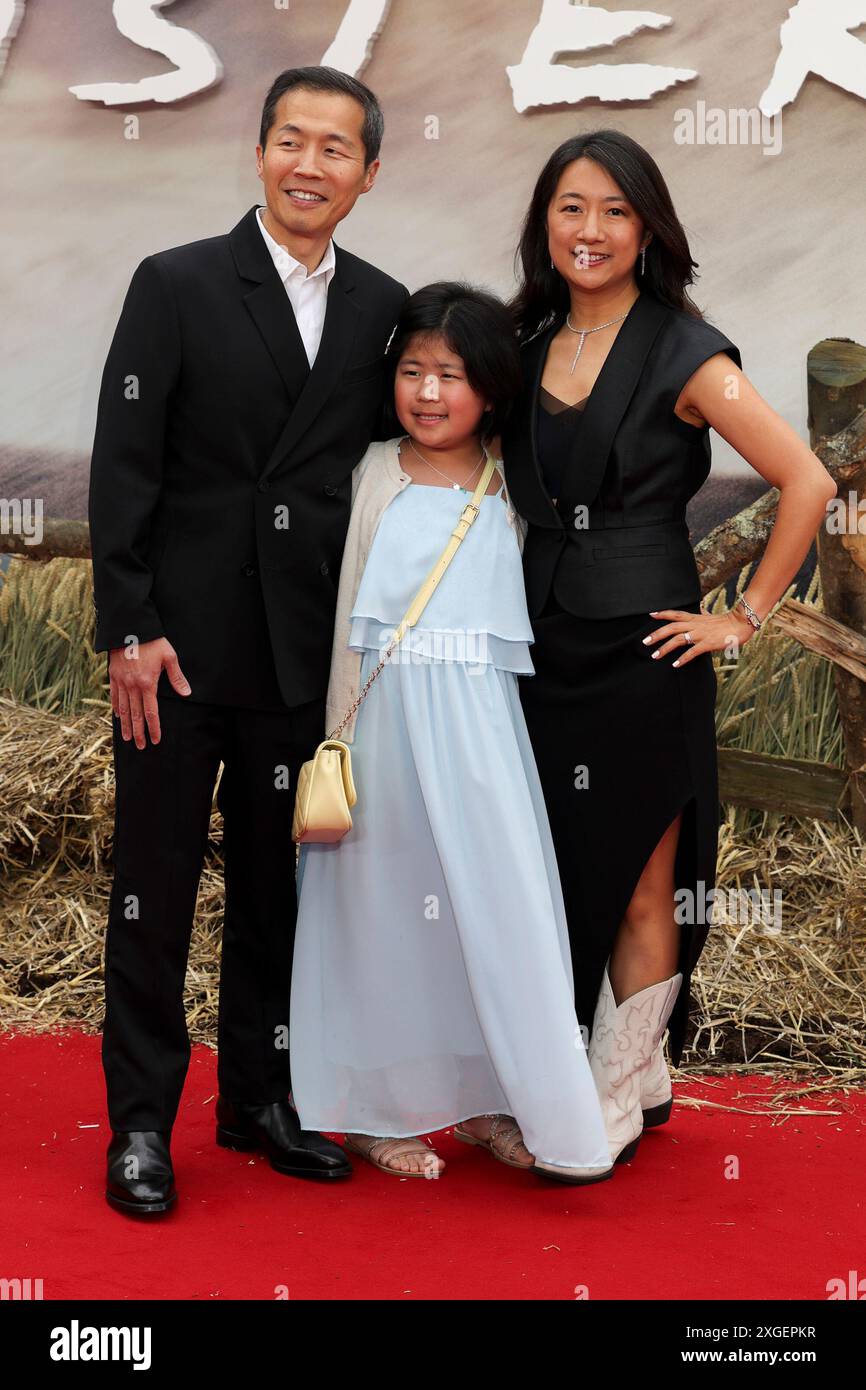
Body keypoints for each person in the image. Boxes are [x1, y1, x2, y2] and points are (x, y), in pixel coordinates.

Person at [89, 66, 408, 1215]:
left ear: (369, 173)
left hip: (297, 655)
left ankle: (258, 1100)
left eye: (335, 148)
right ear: (260, 153)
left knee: (280, 891)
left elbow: (394, 460)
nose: (308, 164)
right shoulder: (174, 285)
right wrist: (128, 624)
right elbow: (123, 464)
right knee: (155, 889)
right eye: (290, 140)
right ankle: (139, 1123)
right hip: (174, 656)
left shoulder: (383, 308)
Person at [501, 130, 837, 1164]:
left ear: (646, 228)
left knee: (646, 875)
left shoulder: (686, 349)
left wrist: (741, 618)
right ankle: (620, 1067)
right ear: (542, 221)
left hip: (646, 650)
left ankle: (610, 1093)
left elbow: (808, 482)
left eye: (612, 210)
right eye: (570, 206)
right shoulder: (520, 341)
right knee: (557, 868)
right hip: (535, 640)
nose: (589, 229)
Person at [289, 283, 615, 1185]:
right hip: (383, 731)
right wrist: (338, 751)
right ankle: (375, 1112)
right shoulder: (371, 476)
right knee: (383, 915)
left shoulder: (516, 483)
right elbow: (348, 620)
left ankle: (492, 1101)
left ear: (493, 389)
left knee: (495, 907)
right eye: (412, 372)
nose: (428, 394)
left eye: (453, 376)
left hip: (484, 737)